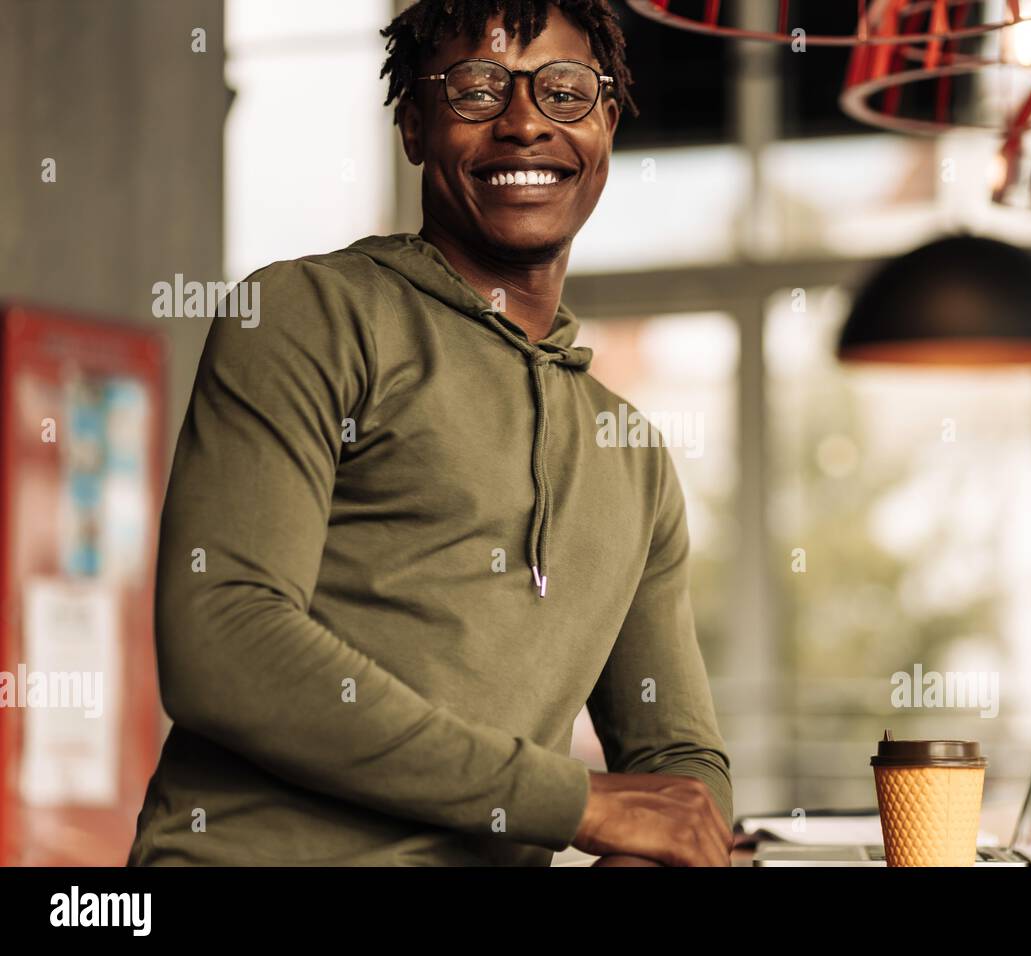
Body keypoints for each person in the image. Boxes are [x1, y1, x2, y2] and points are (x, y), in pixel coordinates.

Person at [126, 0, 733, 867]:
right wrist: (576, 806)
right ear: (413, 125)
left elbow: (680, 760)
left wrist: (659, 844)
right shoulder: (307, 316)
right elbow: (223, 638)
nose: (524, 122)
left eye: (564, 91)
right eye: (477, 89)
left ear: (606, 126)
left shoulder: (631, 451)